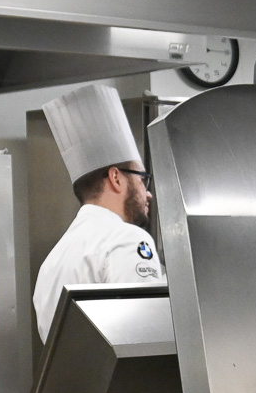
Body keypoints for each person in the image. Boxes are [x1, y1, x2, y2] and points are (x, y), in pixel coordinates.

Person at [32, 82, 164, 342]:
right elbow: (147, 338)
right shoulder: (129, 239)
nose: (148, 193)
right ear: (116, 177)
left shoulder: (52, 261)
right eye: (142, 179)